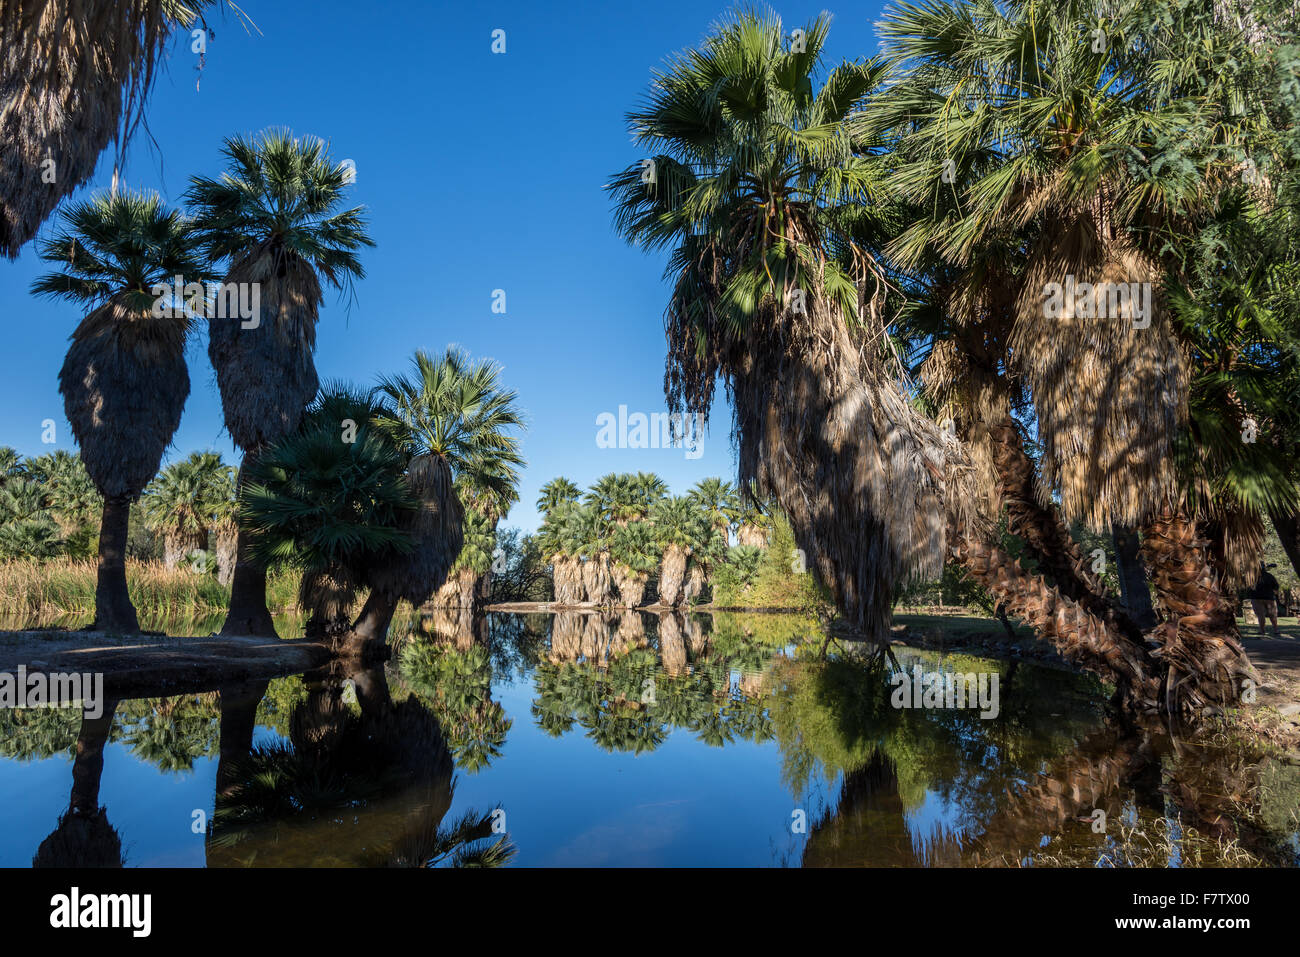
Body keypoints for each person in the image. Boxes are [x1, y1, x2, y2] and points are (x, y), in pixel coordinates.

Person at [1247, 563, 1282, 637]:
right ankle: (1276, 630)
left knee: (1260, 615)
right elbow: (1276, 587)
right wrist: (1272, 593)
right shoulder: (1269, 576)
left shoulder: (1252, 577)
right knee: (1273, 615)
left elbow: (1249, 588)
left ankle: (1262, 631)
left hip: (1256, 598)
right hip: (1269, 598)